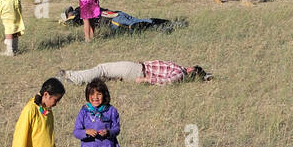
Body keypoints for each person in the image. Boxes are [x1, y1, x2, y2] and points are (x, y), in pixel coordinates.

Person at [59, 61, 209, 86]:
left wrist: (144, 80)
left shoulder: (180, 74)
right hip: (139, 68)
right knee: (104, 75)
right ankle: (75, 79)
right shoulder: (180, 70)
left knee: (103, 69)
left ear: (191, 70)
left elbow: (167, 82)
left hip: (137, 71)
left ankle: (73, 77)